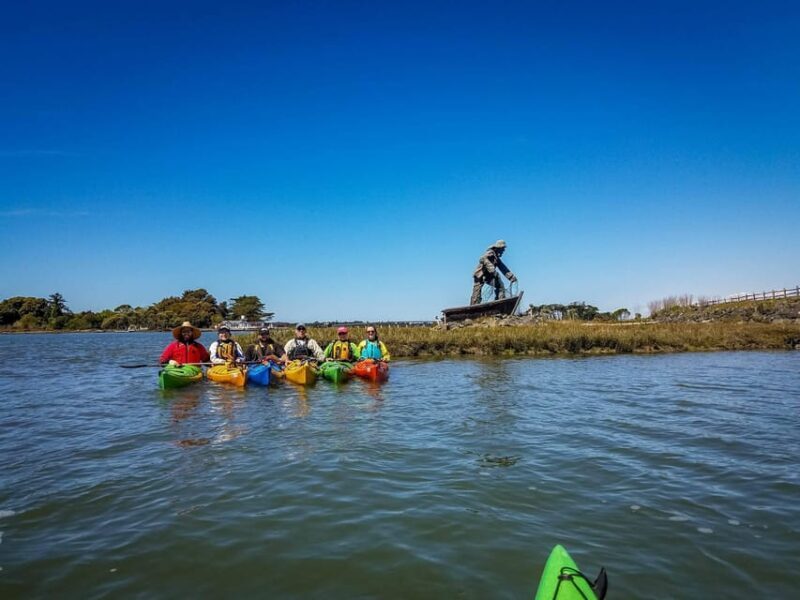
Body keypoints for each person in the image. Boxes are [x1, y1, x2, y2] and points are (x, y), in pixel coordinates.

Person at [470, 239, 517, 305]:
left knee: (500, 286)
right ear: (499, 248)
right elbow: (482, 259)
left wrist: (511, 277)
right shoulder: (490, 253)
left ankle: (499, 303)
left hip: (489, 276)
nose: (504, 250)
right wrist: (491, 269)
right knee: (476, 293)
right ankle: (473, 307)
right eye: (503, 249)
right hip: (479, 275)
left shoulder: (496, 258)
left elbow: (503, 268)